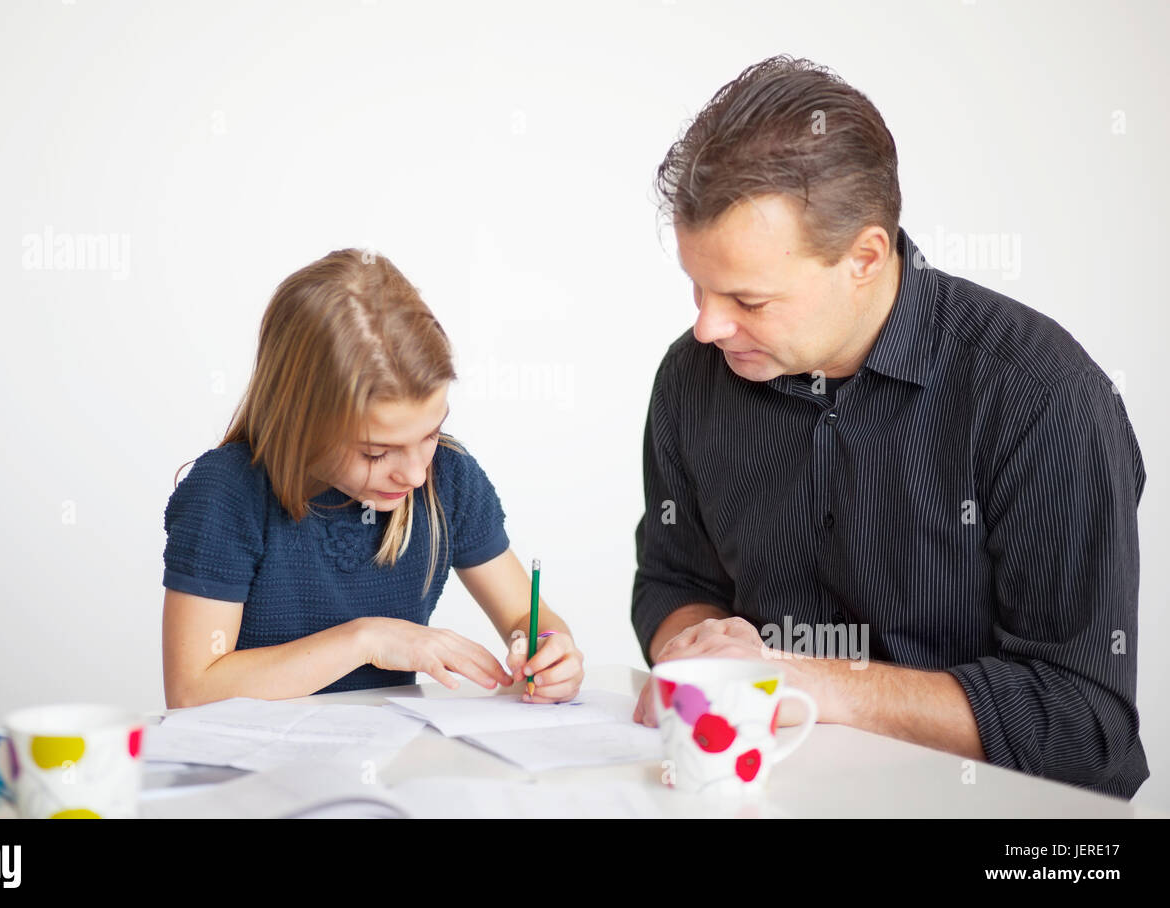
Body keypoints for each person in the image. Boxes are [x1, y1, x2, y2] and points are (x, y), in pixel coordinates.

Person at [630, 55, 1149, 800]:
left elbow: (1083, 722)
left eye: (748, 298)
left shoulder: (1041, 399)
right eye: (698, 287)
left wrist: (819, 684)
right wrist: (705, 643)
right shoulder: (692, 376)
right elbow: (674, 578)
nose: (708, 325)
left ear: (865, 258)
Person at [161, 248, 583, 708]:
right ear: (300, 422)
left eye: (431, 433)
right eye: (376, 452)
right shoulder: (225, 495)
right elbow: (193, 691)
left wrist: (550, 647)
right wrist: (369, 639)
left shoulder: (449, 479)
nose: (417, 473)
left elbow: (524, 612)